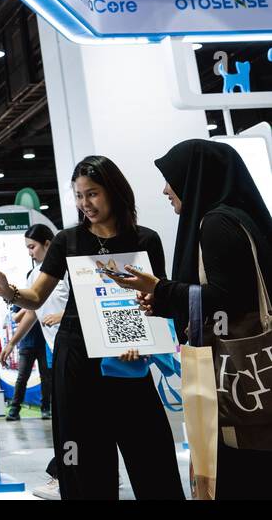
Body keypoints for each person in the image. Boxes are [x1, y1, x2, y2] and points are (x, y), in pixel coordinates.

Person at [0, 155, 184, 500]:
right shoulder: (67, 241)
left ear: (114, 192)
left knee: (152, 455)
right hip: (76, 359)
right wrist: (7, 291)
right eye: (79, 195)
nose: (84, 203)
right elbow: (36, 297)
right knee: (82, 460)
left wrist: (139, 338)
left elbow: (157, 299)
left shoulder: (145, 239)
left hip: (129, 360)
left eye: (92, 194)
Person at [114, 139, 272, 499]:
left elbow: (225, 299)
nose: (166, 189)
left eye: (171, 177)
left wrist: (161, 288)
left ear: (195, 177)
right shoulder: (237, 215)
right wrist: (165, 299)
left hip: (237, 379)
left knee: (240, 474)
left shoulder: (216, 224)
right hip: (253, 383)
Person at [1, 225, 55, 423]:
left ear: (47, 244)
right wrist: (11, 343)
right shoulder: (33, 275)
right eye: (27, 248)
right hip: (49, 345)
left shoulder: (67, 267)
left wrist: (62, 315)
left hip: (71, 343)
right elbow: (32, 310)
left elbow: (81, 304)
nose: (30, 253)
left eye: (32, 247)